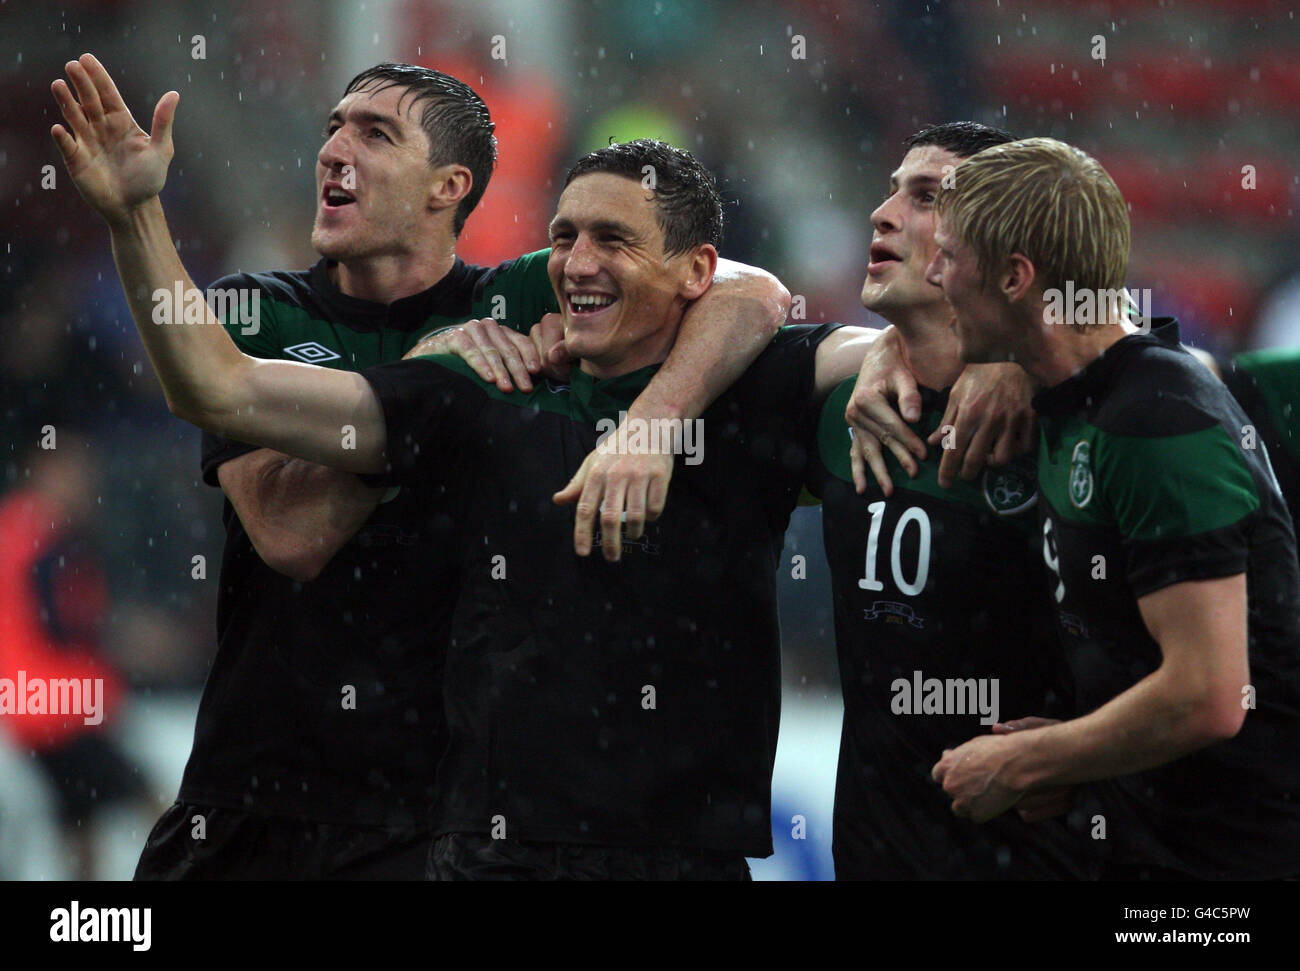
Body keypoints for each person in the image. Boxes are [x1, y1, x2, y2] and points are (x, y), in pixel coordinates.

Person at [51, 55, 789, 879]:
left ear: (449, 187)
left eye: (375, 133)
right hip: (253, 791)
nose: (336, 149)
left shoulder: (517, 296)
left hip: (433, 814)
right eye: (333, 127)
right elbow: (289, 532)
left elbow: (751, 292)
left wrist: (654, 424)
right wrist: (431, 386)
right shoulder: (253, 307)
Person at [927, 136, 1300, 879]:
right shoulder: (1080, 397)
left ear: (1014, 275)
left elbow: (1210, 695)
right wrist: (1083, 740)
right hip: (1158, 844)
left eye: (948, 255)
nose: (934, 275)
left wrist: (1030, 758)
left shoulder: (1159, 422)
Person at [805, 122, 1090, 879]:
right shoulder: (839, 406)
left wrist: (1023, 360)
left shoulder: (1088, 414)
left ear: (1003, 252)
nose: (883, 212)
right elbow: (739, 298)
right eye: (894, 187)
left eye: (927, 196)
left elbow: (1190, 373)